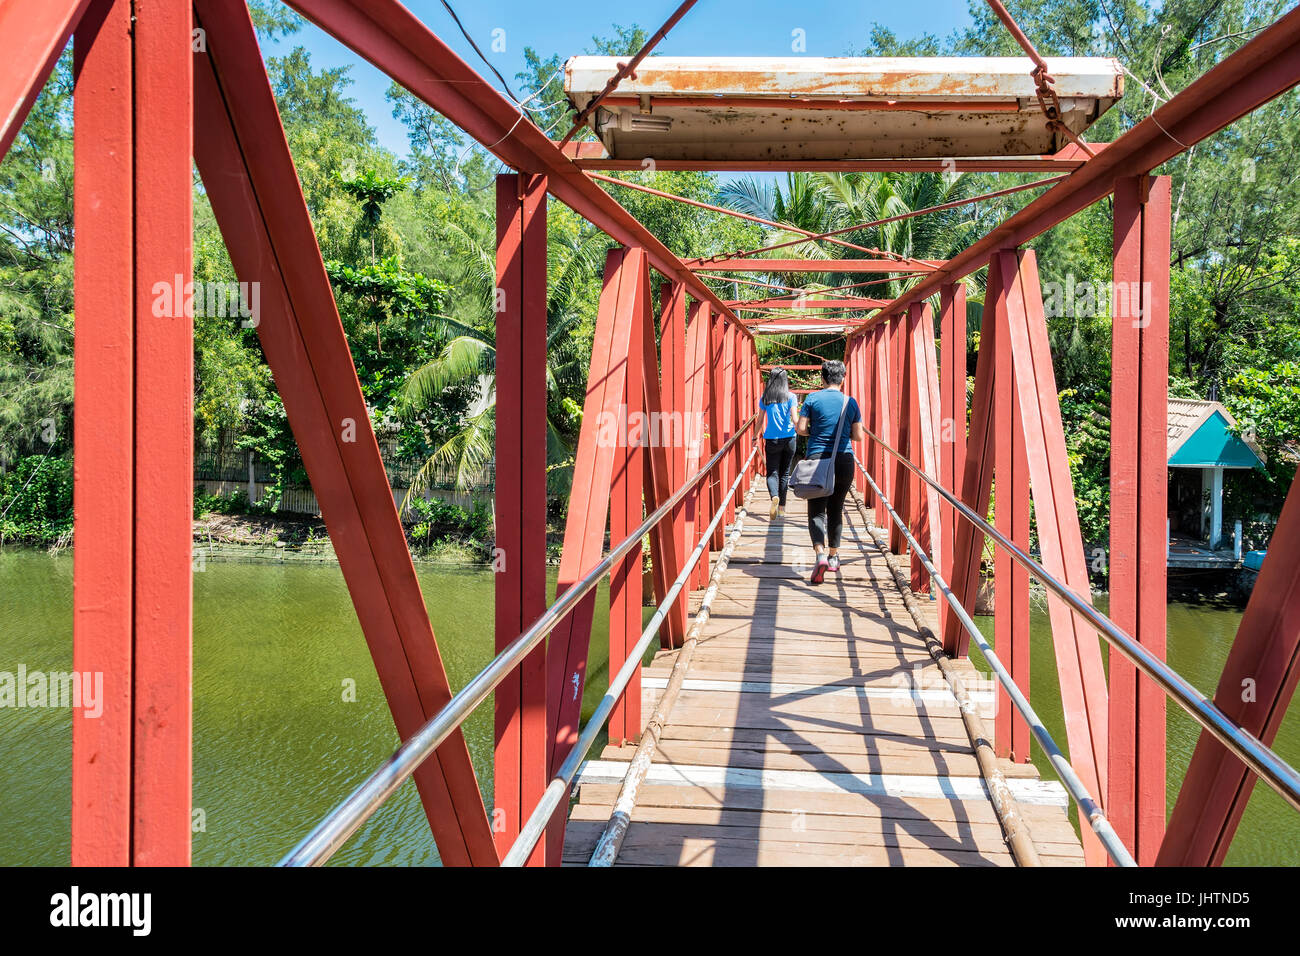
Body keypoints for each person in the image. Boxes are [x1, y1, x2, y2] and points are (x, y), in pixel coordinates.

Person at [796, 360, 866, 584]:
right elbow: (858, 436)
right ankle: (834, 557)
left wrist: (815, 430)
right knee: (836, 508)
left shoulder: (813, 399)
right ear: (843, 378)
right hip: (844, 460)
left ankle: (819, 554)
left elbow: (801, 429)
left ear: (822, 378)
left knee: (816, 511)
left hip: (818, 460)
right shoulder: (850, 402)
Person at [759, 367, 799, 519]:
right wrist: (806, 430)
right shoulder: (791, 397)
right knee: (785, 474)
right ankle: (782, 509)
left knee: (772, 472)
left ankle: (774, 496)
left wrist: (755, 436)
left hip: (772, 439)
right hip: (789, 439)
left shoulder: (766, 398)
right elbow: (795, 420)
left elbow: (760, 420)